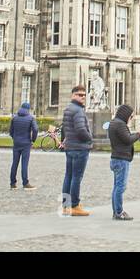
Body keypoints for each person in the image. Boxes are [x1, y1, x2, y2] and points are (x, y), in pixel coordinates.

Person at [60, 85, 93, 215]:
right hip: (79, 147)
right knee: (76, 177)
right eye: (79, 95)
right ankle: (74, 205)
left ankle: (66, 205)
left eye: (84, 95)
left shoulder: (68, 108)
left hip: (70, 146)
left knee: (68, 176)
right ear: (73, 95)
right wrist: (90, 138)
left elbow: (65, 128)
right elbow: (80, 130)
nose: (83, 97)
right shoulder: (78, 110)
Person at [107, 103, 140, 220]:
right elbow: (128, 139)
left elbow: (124, 137)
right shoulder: (120, 124)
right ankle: (119, 212)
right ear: (125, 114)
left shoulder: (114, 123)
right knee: (120, 187)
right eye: (130, 116)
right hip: (121, 159)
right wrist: (138, 134)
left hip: (115, 158)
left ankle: (115, 211)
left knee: (116, 186)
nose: (130, 119)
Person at [9, 101, 38, 189]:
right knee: (24, 164)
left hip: (16, 142)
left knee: (14, 163)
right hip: (26, 143)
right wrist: (33, 140)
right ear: (28, 109)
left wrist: (14, 138)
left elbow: (11, 131)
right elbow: (35, 129)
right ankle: (25, 183)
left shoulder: (14, 118)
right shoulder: (30, 118)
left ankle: (12, 183)